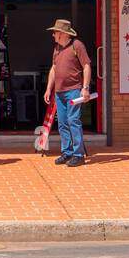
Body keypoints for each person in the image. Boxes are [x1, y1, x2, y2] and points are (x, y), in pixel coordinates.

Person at [43, 19, 90, 167]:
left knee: (73, 121)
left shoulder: (77, 45)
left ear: (62, 33)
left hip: (74, 90)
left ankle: (78, 155)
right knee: (62, 123)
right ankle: (67, 152)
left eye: (55, 32)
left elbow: (87, 66)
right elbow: (53, 68)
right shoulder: (57, 48)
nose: (53, 35)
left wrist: (86, 88)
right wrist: (48, 88)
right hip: (59, 92)